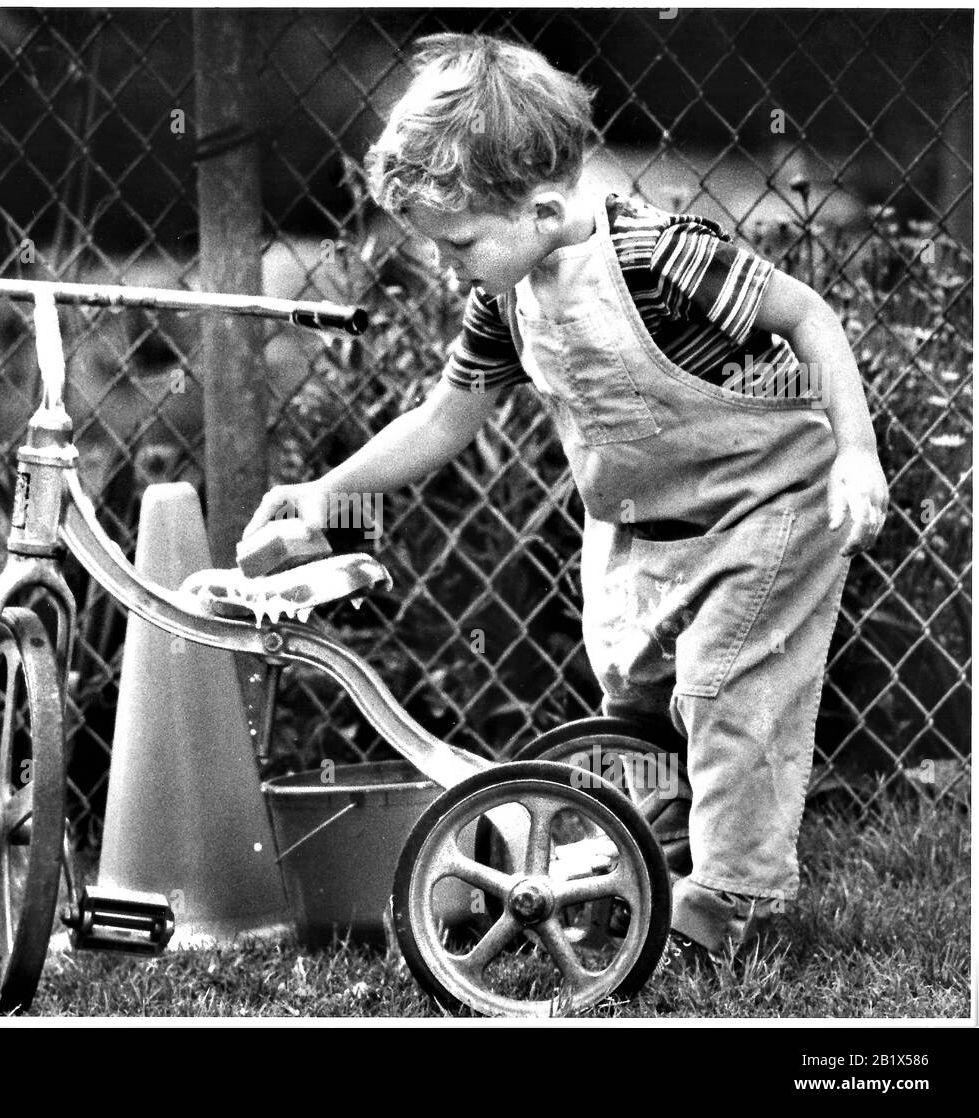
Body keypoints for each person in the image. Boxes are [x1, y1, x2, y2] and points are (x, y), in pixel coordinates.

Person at [242, 33, 888, 968]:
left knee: (724, 691)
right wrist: (321, 496)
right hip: (636, 532)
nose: (447, 264)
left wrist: (857, 455)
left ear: (543, 208)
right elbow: (443, 418)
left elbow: (808, 316)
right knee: (638, 705)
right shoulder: (506, 297)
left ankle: (726, 905)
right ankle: (661, 863)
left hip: (767, 510)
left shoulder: (663, 258)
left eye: (458, 243)